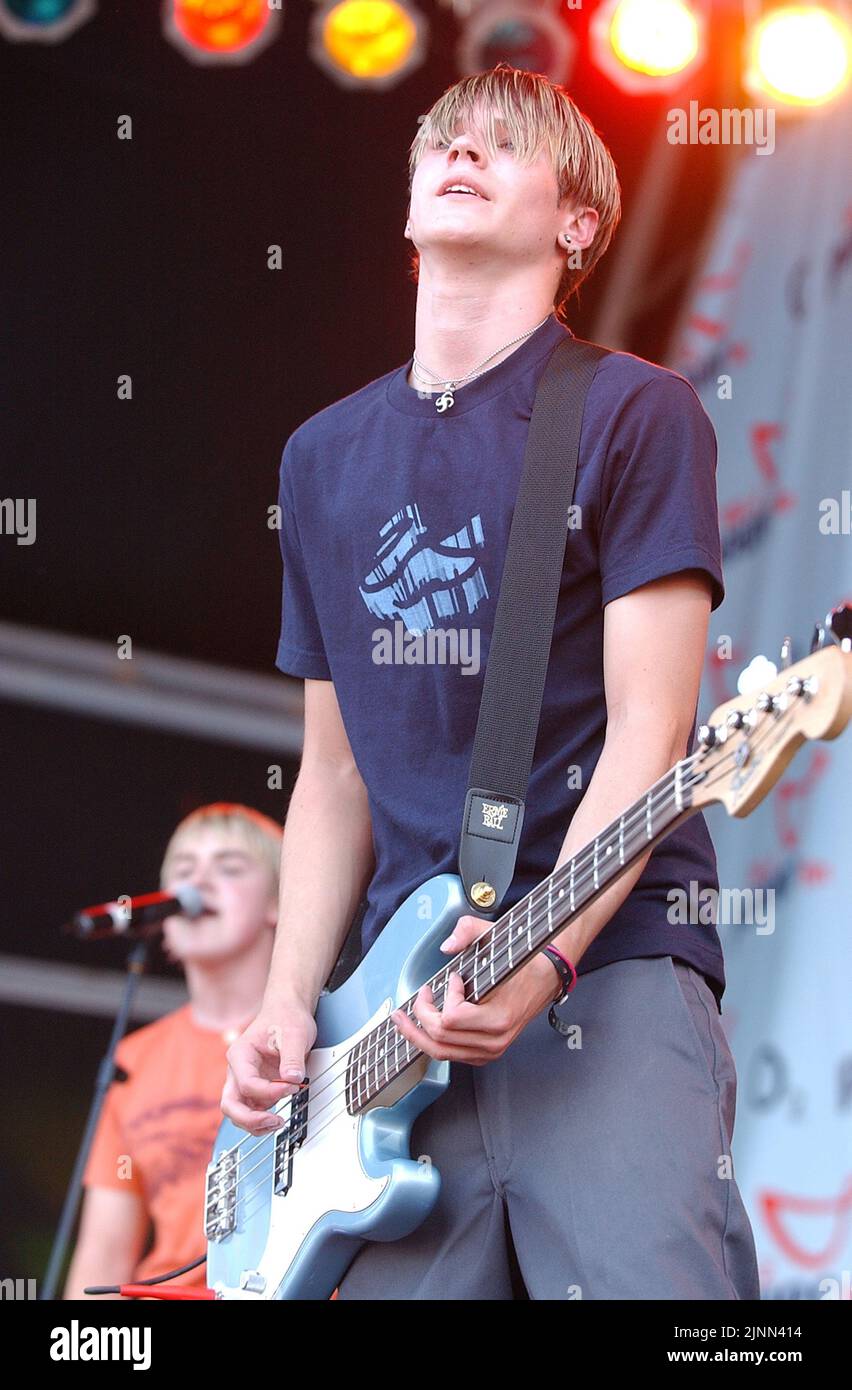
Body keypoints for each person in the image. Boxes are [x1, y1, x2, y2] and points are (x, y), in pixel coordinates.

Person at [222, 62, 761, 1300]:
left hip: (608, 971)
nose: (460, 155)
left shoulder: (637, 412)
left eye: (502, 146)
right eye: (441, 146)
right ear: (409, 207)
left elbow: (653, 731)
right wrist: (289, 1002)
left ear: (579, 224)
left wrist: (546, 958)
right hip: (387, 1039)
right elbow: (336, 773)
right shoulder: (320, 458)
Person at [63, 802, 281, 1298]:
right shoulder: (134, 1061)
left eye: (229, 868)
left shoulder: (322, 1026)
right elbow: (104, 1254)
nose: (196, 885)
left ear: (279, 902)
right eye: (183, 871)